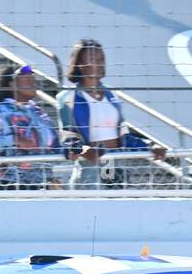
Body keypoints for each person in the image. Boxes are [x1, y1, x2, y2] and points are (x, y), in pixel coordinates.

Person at [56, 38, 166, 189]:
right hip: (89, 168)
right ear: (80, 65)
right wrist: (82, 150)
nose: (100, 63)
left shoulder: (112, 95)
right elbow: (68, 137)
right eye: (94, 59)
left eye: (102, 58)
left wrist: (150, 146)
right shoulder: (67, 97)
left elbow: (124, 136)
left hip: (115, 165)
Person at [0, 65, 74, 189]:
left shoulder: (40, 114)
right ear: (11, 85)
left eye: (32, 76)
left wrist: (69, 149)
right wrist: (13, 140)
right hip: (11, 186)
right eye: (24, 77)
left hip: (43, 186)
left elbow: (54, 147)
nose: (31, 80)